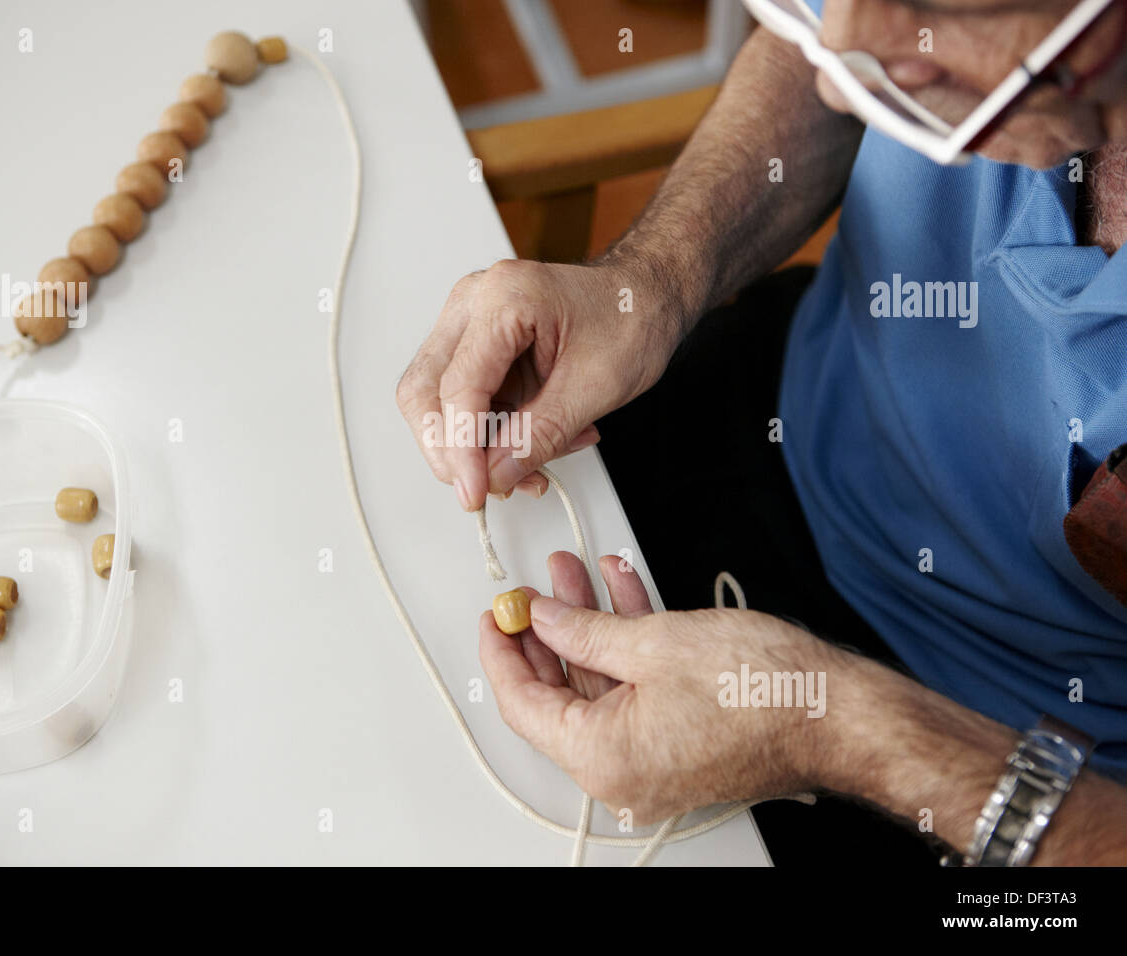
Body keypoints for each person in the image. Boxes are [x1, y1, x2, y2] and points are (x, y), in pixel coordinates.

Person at [396, 0, 1127, 865]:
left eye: (931, 10)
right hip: (788, 405)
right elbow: (818, 65)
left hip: (990, 762)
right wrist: (652, 280)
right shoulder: (894, 30)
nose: (842, 69)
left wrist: (821, 723)